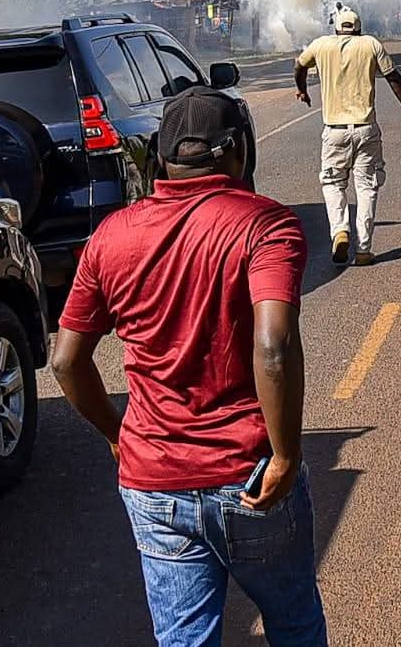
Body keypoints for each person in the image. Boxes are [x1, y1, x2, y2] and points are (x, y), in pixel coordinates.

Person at [51, 87, 326, 647]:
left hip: (153, 480)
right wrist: (287, 454)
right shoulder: (266, 225)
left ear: (160, 157)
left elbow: (65, 361)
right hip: (248, 473)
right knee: (293, 621)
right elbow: (273, 346)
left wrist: (116, 434)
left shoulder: (110, 235)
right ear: (238, 151)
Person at [295, 6, 401, 267]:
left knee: (333, 183)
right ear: (359, 28)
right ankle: (364, 249)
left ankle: (340, 231)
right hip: (366, 130)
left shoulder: (321, 45)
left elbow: (299, 65)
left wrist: (302, 89)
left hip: (334, 132)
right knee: (366, 187)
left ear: (336, 28)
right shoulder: (370, 44)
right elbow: (393, 77)